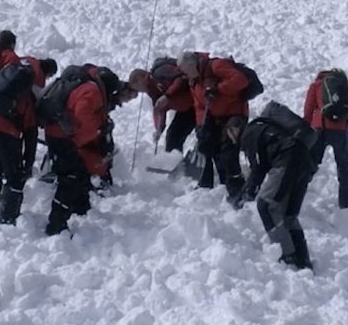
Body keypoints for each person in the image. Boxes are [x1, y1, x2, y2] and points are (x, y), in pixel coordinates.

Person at [39, 64, 135, 236]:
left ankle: (80, 208)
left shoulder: (85, 85)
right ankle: (56, 225)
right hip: (63, 136)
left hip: (56, 132)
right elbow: (83, 116)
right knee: (71, 178)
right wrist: (93, 132)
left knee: (80, 172)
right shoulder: (93, 92)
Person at [237, 101, 319, 269]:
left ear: (234, 130)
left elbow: (258, 167)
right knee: (289, 215)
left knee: (266, 205)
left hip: (287, 162)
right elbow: (262, 166)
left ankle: (287, 257)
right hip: (305, 163)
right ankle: (303, 260)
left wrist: (248, 192)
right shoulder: (269, 129)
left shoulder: (251, 133)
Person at [0, 49, 45, 225]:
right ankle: (8, 218)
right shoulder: (25, 96)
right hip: (4, 129)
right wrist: (27, 164)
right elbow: (30, 133)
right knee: (14, 176)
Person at [179, 51, 261, 204]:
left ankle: (237, 190)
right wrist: (200, 125)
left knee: (228, 151)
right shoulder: (194, 81)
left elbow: (240, 80)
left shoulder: (216, 65)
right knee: (206, 147)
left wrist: (218, 89)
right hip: (212, 117)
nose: (185, 75)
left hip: (234, 114)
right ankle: (206, 185)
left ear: (193, 64)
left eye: (186, 71)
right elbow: (199, 105)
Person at [303, 68, 348, 208]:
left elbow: (307, 112)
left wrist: (306, 130)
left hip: (318, 130)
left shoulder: (316, 86)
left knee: (309, 166)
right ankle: (346, 206)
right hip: (340, 132)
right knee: (344, 169)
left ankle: (296, 198)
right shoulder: (347, 87)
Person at [130, 57, 195, 155]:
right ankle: (174, 162)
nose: (140, 91)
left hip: (197, 100)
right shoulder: (152, 91)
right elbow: (159, 109)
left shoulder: (160, 72)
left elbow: (180, 79)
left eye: (138, 88)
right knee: (172, 135)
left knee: (205, 135)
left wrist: (167, 95)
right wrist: (159, 129)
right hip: (186, 109)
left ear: (141, 80)